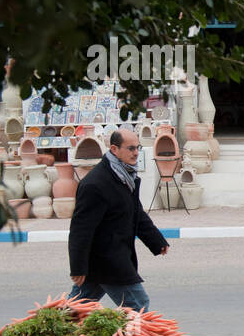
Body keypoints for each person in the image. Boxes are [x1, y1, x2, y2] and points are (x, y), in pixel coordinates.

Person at [67, 127, 169, 313]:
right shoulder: (95, 184)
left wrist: (156, 241)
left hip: (108, 260)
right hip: (108, 260)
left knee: (73, 310)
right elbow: (81, 230)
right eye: (130, 148)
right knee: (138, 306)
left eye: (137, 147)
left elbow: (135, 212)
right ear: (114, 149)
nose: (136, 152)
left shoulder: (125, 177)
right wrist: (77, 267)